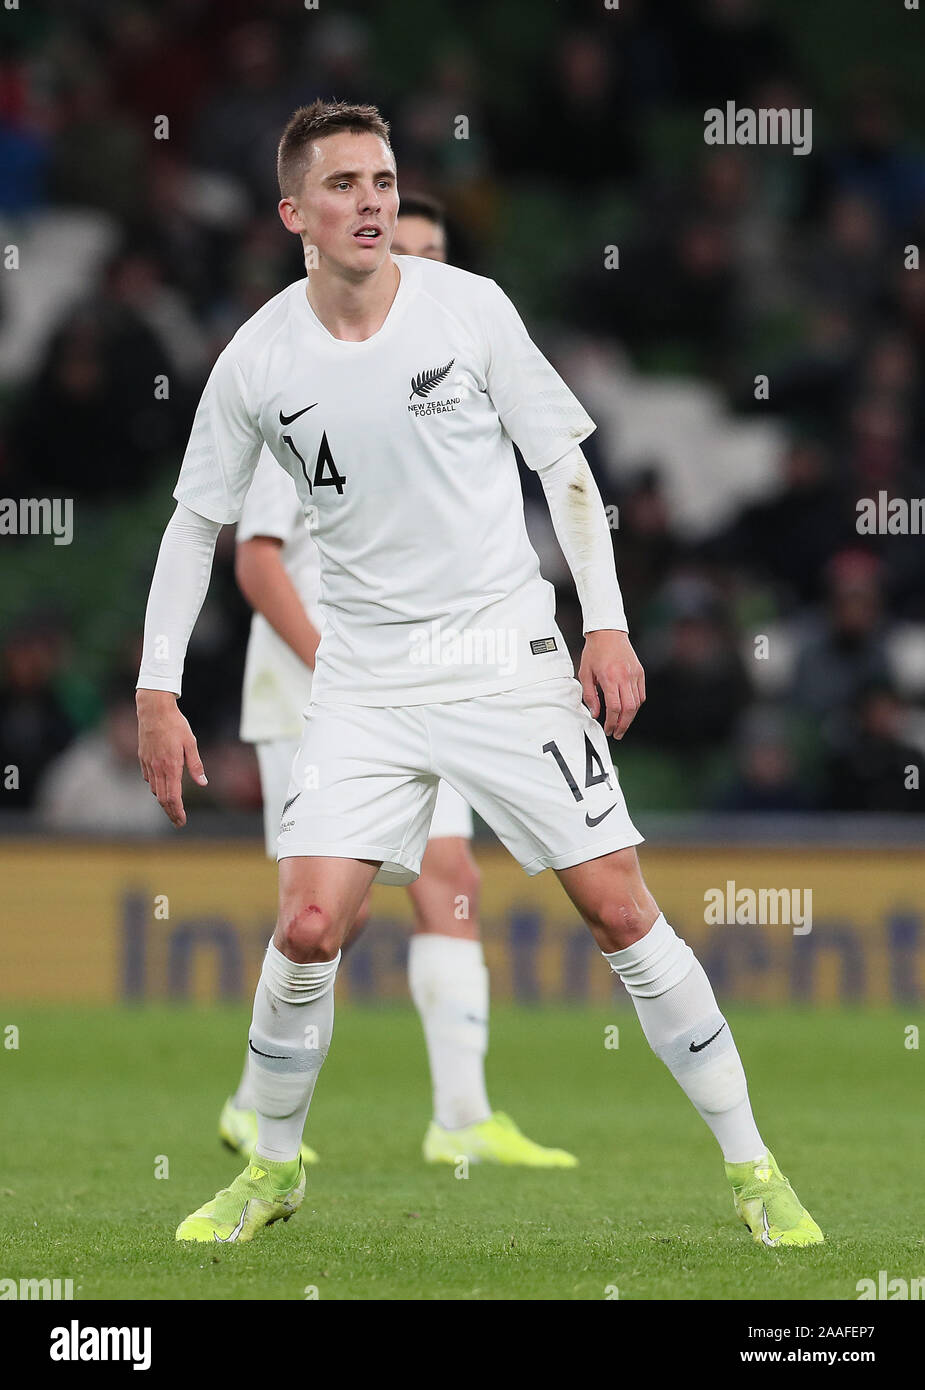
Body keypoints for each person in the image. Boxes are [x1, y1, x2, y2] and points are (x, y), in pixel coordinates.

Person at [136, 100, 821, 1250]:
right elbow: (192, 524)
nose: (372, 201)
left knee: (618, 910)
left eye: (384, 179)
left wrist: (604, 623)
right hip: (364, 679)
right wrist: (157, 690)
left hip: (506, 659)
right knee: (307, 926)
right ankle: (271, 1165)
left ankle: (754, 1169)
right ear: (292, 212)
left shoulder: (471, 311)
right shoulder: (259, 356)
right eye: (345, 183)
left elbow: (565, 466)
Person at [220, 193, 576, 1170]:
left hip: (429, 671)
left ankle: (460, 1113)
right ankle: (258, 1104)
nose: (413, 269)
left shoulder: (447, 387)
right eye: (401, 248)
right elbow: (255, 560)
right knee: (329, 913)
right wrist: (340, 663)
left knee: (449, 878)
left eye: (432, 253)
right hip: (314, 682)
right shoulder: (305, 376)